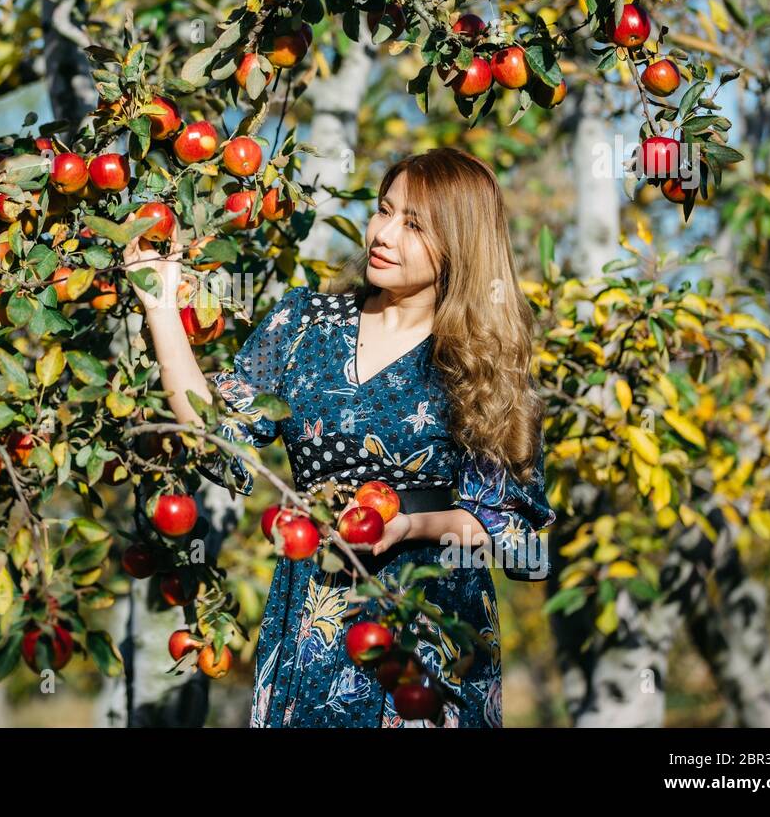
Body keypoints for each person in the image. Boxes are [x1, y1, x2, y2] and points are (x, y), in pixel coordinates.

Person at [123, 148, 556, 728]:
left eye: (413, 224)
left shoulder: (479, 360)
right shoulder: (303, 323)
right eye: (384, 210)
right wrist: (159, 304)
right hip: (315, 607)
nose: (382, 233)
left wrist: (413, 525)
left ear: (459, 244)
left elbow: (512, 525)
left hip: (430, 624)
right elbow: (211, 436)